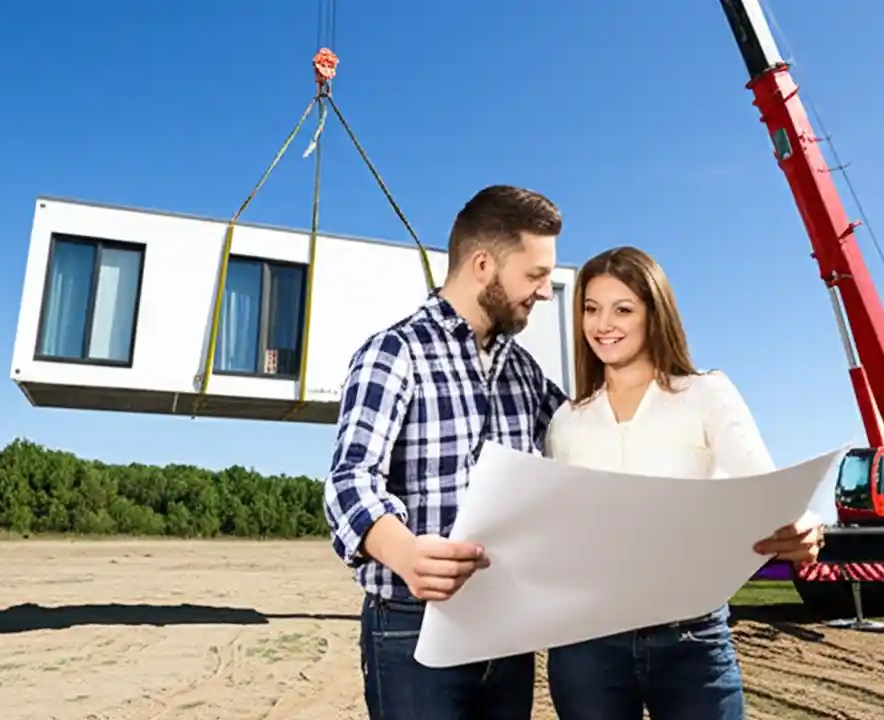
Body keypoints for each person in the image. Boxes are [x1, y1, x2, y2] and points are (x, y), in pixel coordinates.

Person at [541, 246, 825, 720]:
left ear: (655, 315)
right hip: (587, 646)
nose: (603, 324)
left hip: (691, 641)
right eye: (591, 309)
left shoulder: (706, 395)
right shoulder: (566, 422)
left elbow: (770, 493)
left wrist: (808, 524)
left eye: (623, 309)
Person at [323, 184, 570, 719]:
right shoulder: (394, 353)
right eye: (535, 275)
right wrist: (405, 553)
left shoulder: (524, 372)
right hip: (413, 625)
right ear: (483, 264)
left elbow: (590, 439)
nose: (546, 292)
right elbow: (350, 480)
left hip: (507, 629)